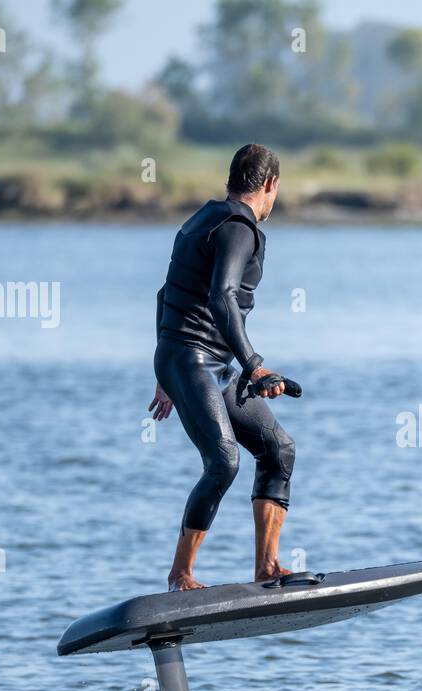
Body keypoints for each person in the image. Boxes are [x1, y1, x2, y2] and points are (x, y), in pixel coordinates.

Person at [149, 144, 294, 590]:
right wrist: (254, 367)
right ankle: (180, 575)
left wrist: (163, 371)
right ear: (269, 185)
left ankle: (267, 567)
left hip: (200, 363)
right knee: (224, 461)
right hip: (192, 359)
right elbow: (222, 297)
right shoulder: (238, 228)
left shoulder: (202, 219)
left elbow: (163, 294)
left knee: (277, 449)